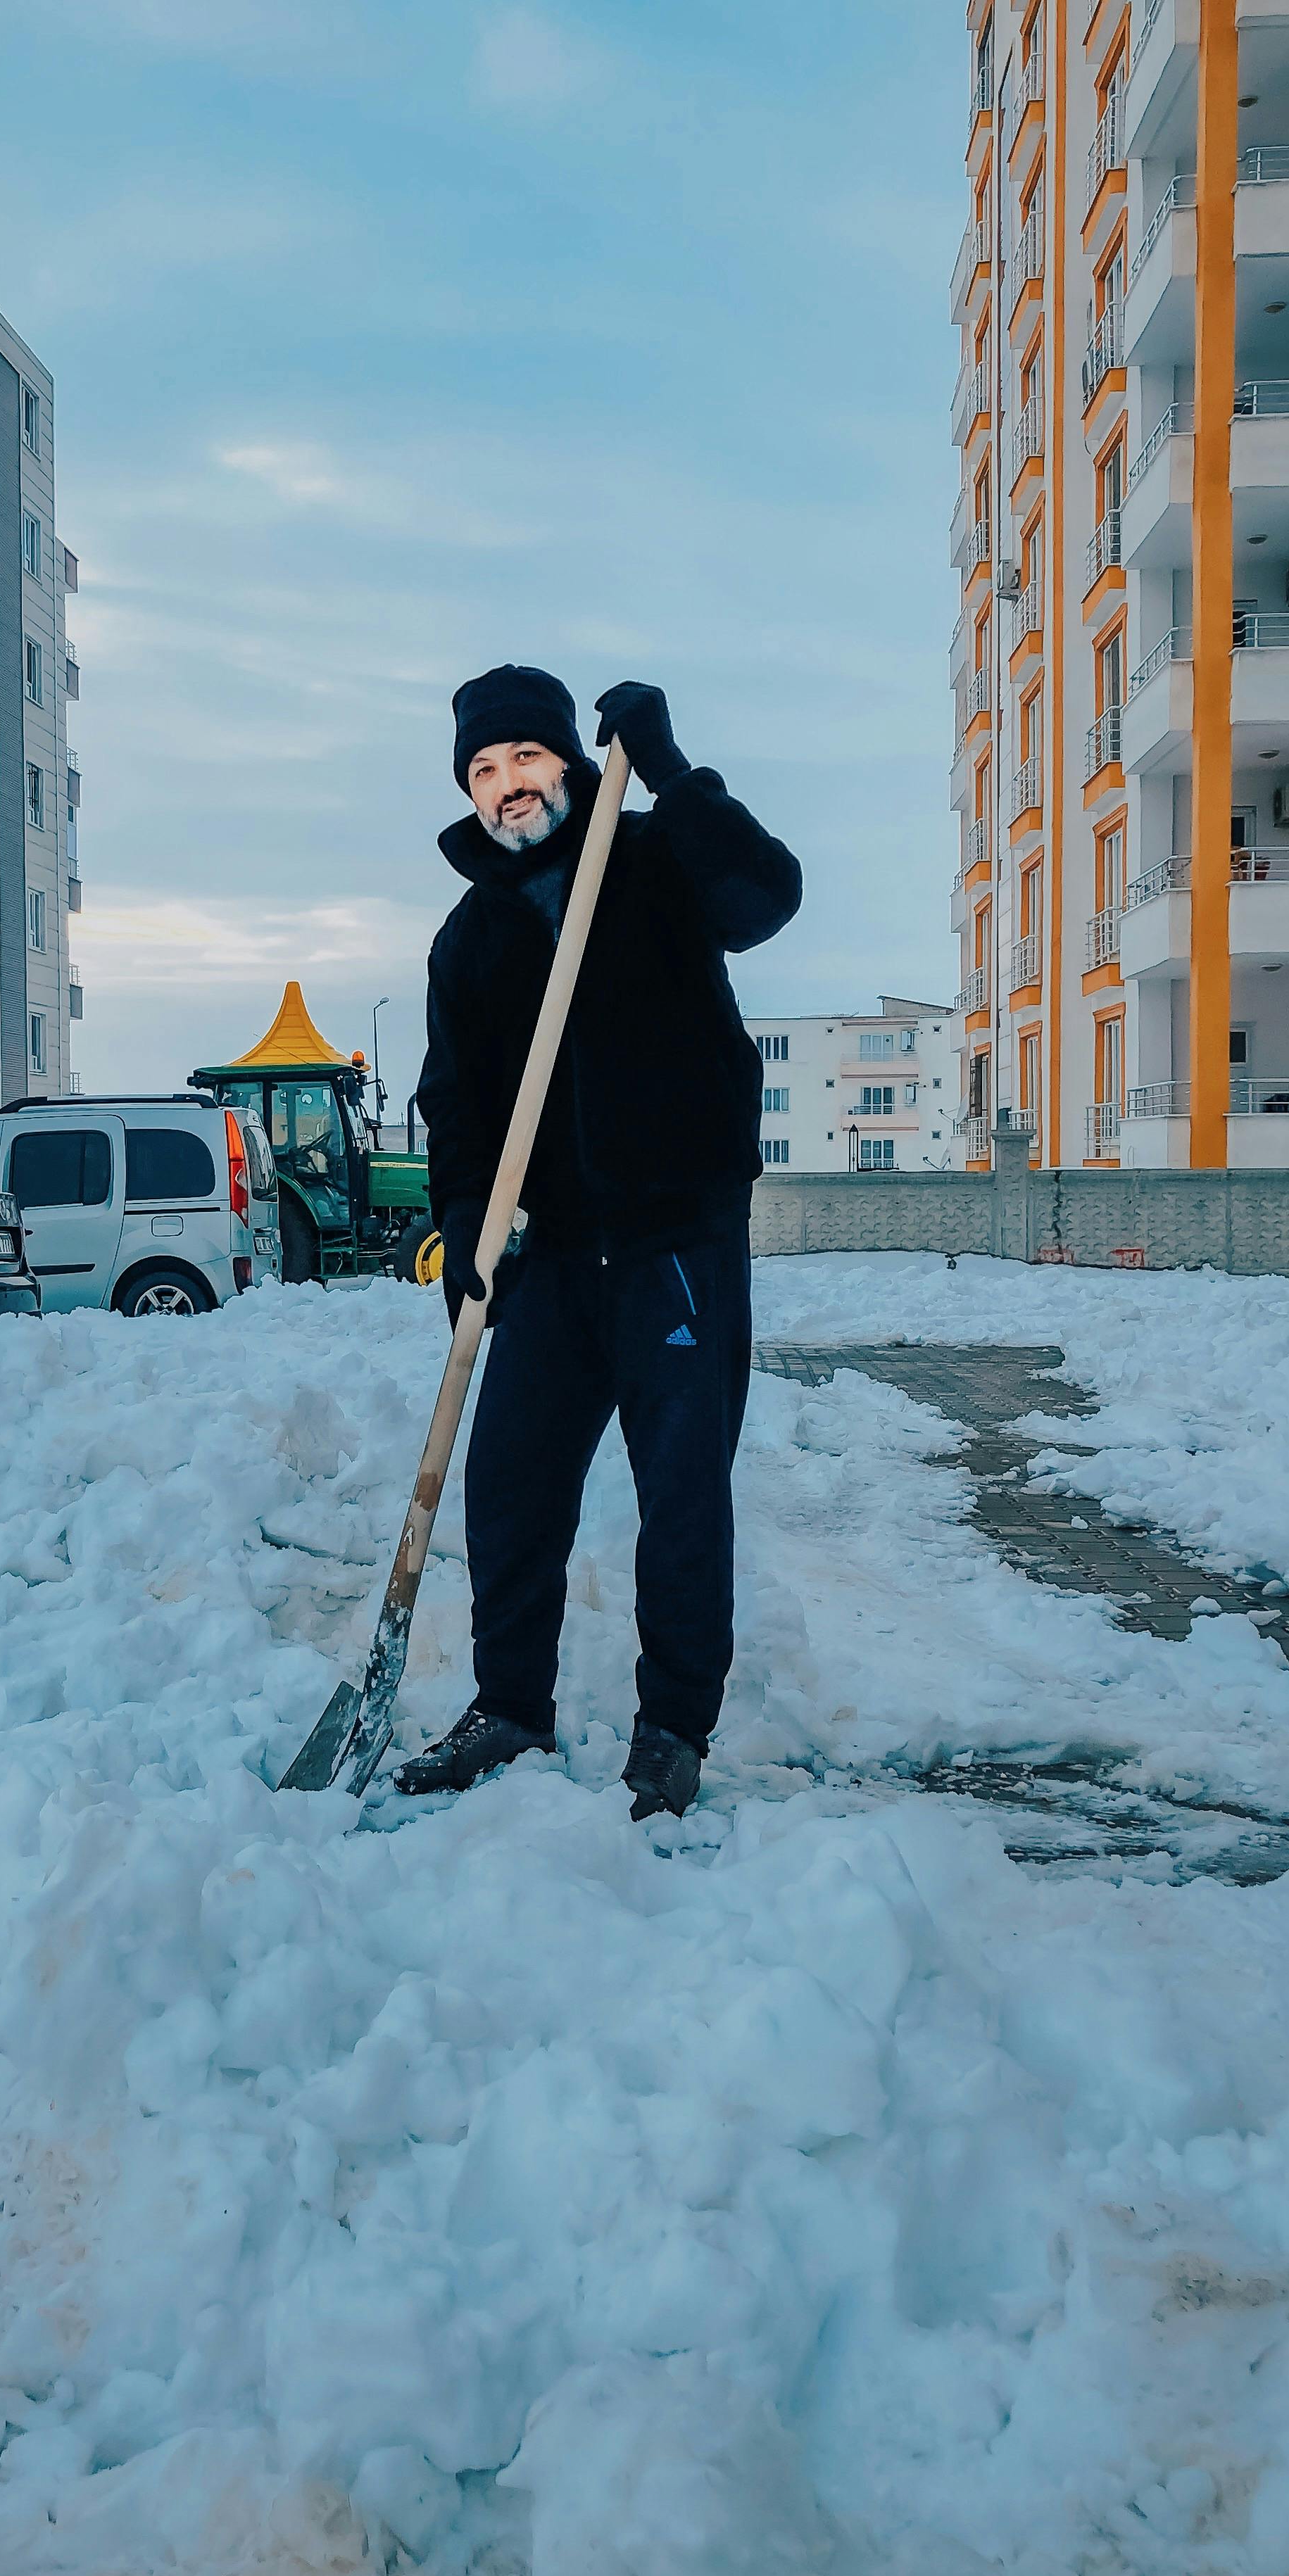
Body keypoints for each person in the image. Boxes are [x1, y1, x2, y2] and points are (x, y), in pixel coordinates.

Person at [401, 664, 802, 1820]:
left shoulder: (656, 860)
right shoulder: (468, 937)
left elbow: (764, 900)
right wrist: (467, 1216)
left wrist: (675, 775)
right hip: (558, 1259)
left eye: (524, 757)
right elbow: (456, 1105)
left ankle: (674, 1727)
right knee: (510, 1486)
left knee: (682, 1495)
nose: (505, 785)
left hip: (677, 1236)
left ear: (569, 762)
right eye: (482, 770)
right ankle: (509, 1706)